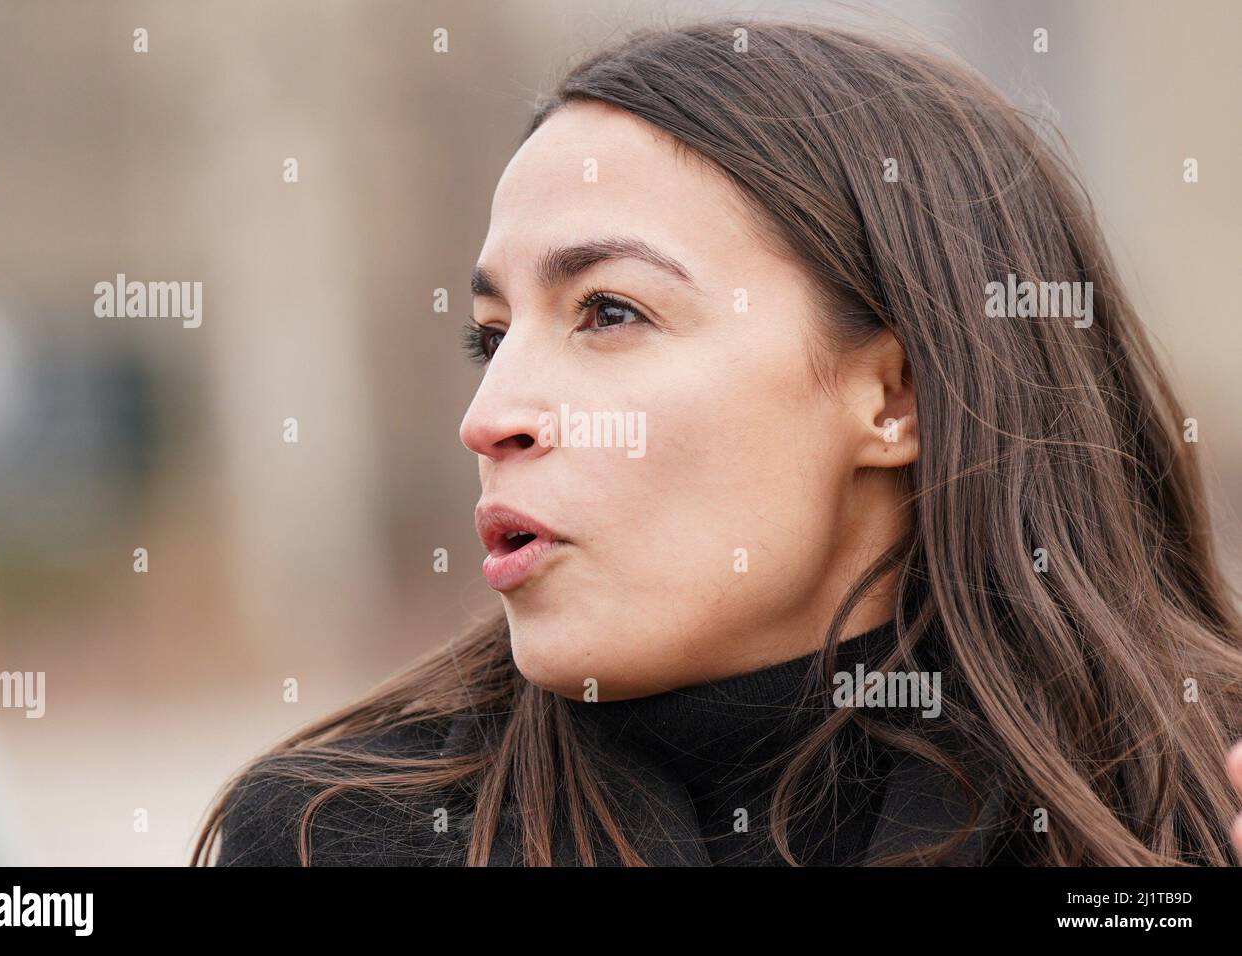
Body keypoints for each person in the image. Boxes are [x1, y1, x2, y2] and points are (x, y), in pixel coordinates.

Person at [193, 18, 1242, 866]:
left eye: (607, 312)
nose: (489, 416)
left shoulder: (1186, 806)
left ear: (894, 398)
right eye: (491, 337)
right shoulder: (337, 835)